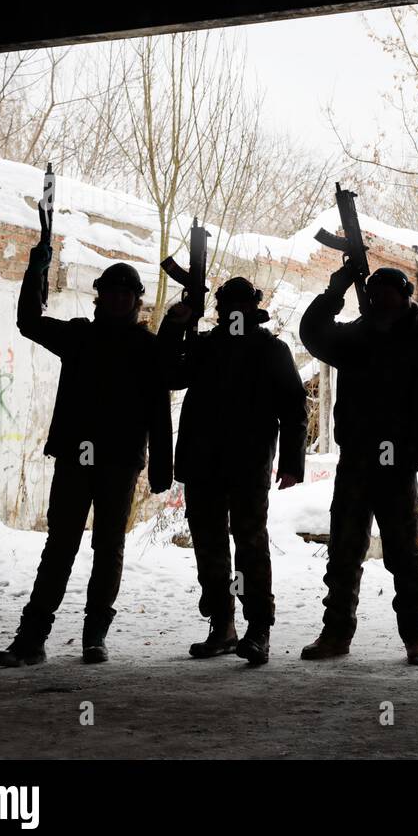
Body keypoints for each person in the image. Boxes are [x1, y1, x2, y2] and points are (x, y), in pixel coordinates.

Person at [0, 255, 172, 667]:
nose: (118, 299)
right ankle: (32, 639)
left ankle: (95, 638)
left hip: (121, 461)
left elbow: (159, 409)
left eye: (126, 293)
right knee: (61, 546)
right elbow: (29, 322)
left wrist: (163, 464)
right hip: (77, 456)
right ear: (100, 297)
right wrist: (35, 273)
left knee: (108, 547)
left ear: (135, 300)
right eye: (111, 292)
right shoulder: (78, 336)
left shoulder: (146, 347)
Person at [298, 265, 418, 666]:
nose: (380, 300)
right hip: (357, 460)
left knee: (406, 557)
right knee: (343, 553)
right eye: (374, 293)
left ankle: (416, 637)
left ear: (405, 296)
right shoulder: (357, 337)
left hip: (396, 465)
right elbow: (313, 333)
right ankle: (335, 634)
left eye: (388, 293)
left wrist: (417, 451)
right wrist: (333, 292)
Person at [161, 277, 307, 667]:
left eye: (239, 308)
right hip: (205, 461)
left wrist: (293, 463)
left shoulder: (270, 349)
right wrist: (176, 325)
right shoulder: (206, 346)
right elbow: (169, 375)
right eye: (230, 309)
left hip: (247, 462)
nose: (234, 315)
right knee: (210, 545)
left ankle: (258, 628)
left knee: (249, 544)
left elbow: (294, 407)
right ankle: (223, 625)